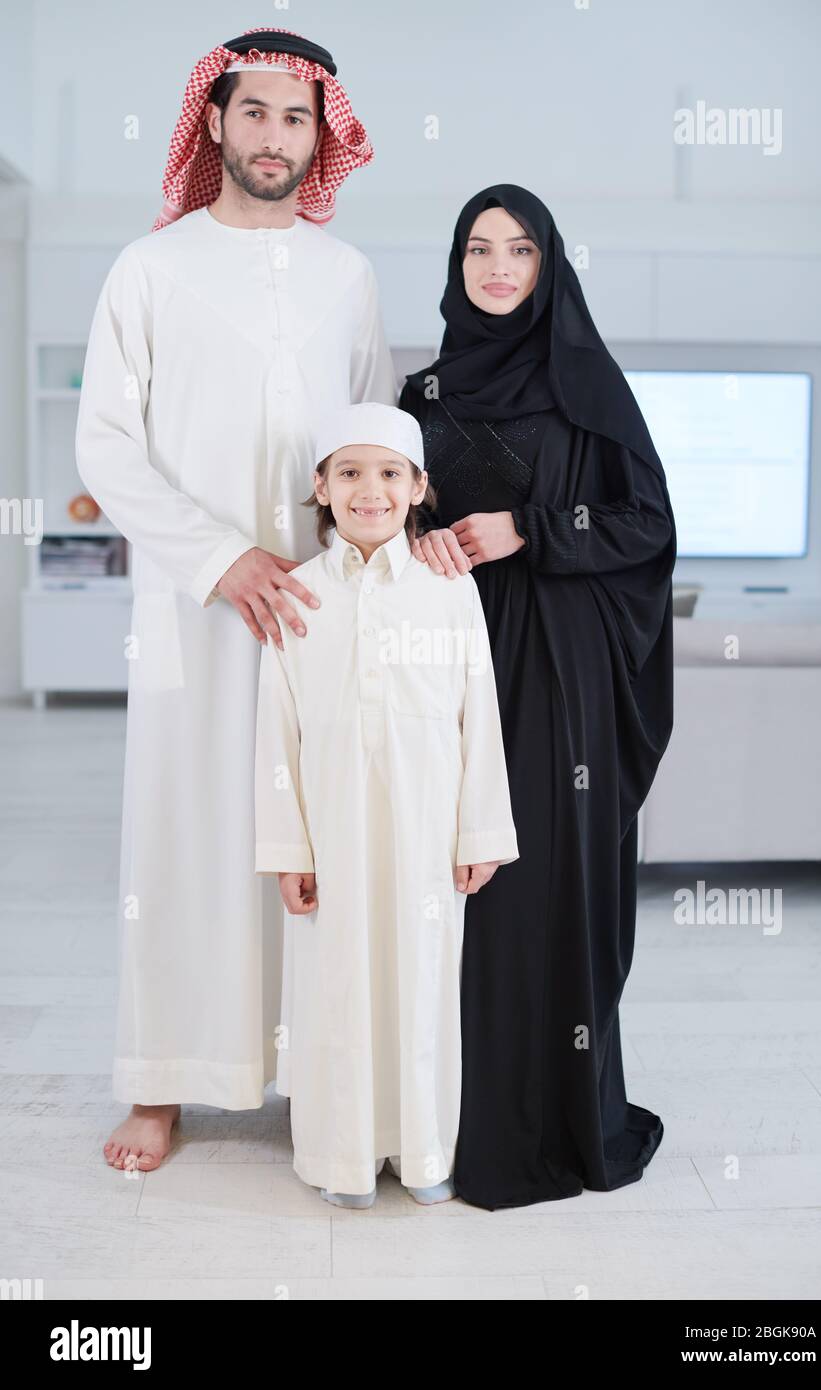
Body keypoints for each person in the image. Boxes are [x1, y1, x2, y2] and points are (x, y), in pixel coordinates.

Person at [74, 27, 397, 1174]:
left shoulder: (344, 275)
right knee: (185, 831)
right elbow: (106, 446)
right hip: (194, 606)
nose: (274, 138)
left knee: (312, 840)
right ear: (212, 122)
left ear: (322, 136)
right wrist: (220, 559)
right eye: (254, 113)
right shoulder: (149, 269)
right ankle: (166, 1079)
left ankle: (315, 1076)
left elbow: (372, 434)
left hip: (317, 611)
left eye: (296, 119)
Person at [399, 184, 677, 1210]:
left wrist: (531, 528)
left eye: (520, 248)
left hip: (561, 673)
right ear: (455, 265)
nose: (499, 266)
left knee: (540, 882)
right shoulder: (421, 394)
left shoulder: (587, 385)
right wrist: (419, 534)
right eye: (479, 247)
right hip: (447, 660)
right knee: (454, 889)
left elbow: (645, 523)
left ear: (548, 263)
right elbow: (378, 507)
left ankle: (553, 1121)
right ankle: (444, 1118)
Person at [254, 402, 518, 1207]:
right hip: (332, 828)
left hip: (428, 825)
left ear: (419, 487)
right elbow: (278, 734)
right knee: (338, 986)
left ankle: (423, 1151)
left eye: (390, 473)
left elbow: (481, 716)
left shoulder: (449, 591)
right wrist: (288, 852)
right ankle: (343, 1158)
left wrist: (480, 830)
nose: (371, 490)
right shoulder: (298, 594)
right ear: (322, 487)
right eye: (351, 473)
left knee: (423, 982)